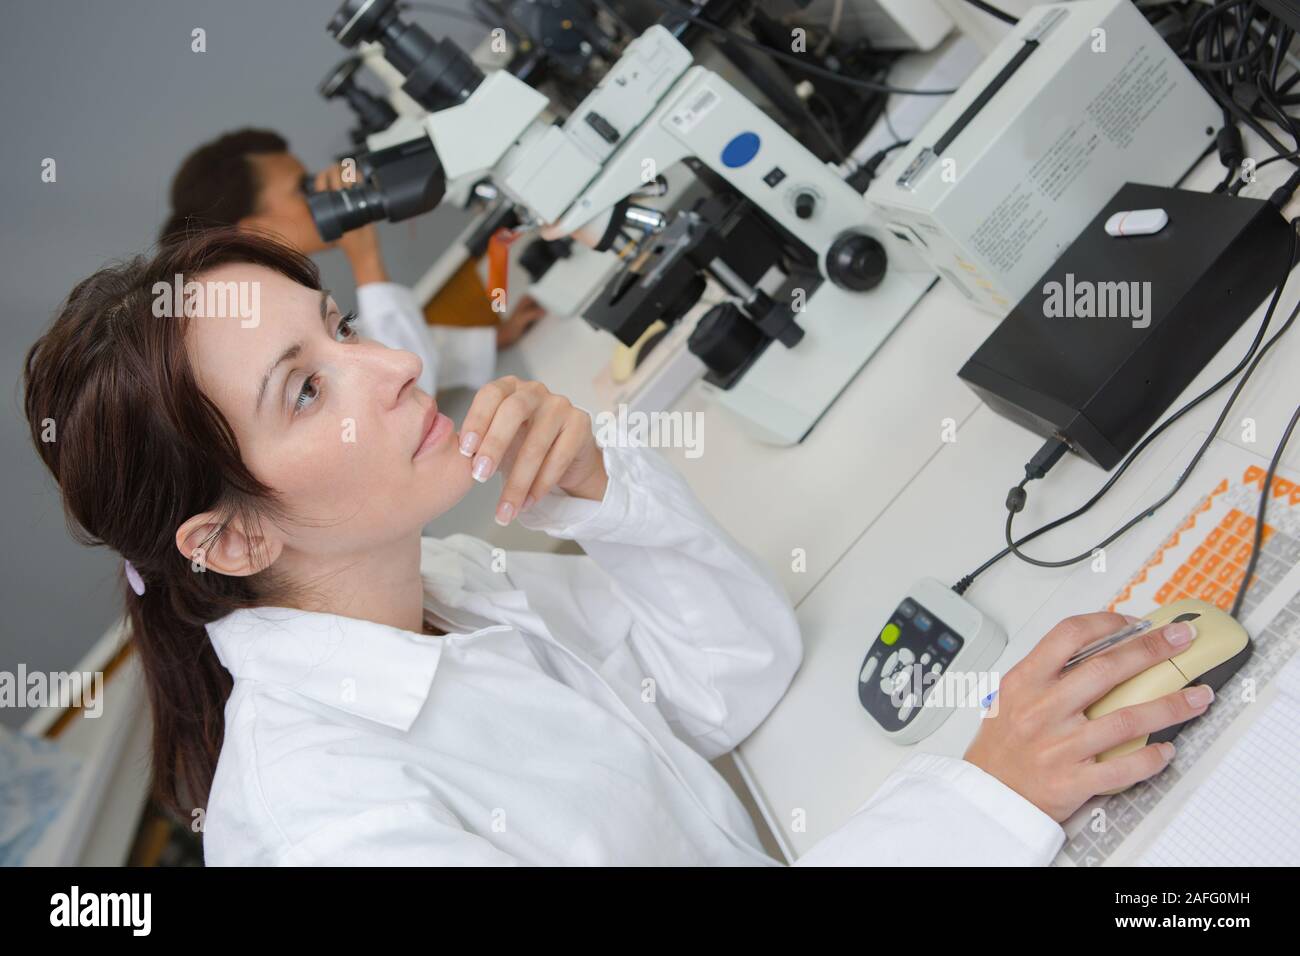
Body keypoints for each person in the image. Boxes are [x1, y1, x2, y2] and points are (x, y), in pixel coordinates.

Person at [22, 229, 1215, 865]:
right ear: (231, 534)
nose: (392, 363)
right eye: (306, 387)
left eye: (338, 327)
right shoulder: (325, 825)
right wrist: (986, 795)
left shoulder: (441, 587)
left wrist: (602, 494)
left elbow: (726, 679)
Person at [158, 127, 545, 396]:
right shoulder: (247, 327)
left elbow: (368, 351)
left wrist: (490, 341)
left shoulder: (272, 297)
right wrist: (365, 258)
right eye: (302, 189)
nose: (320, 190)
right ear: (256, 230)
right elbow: (405, 386)